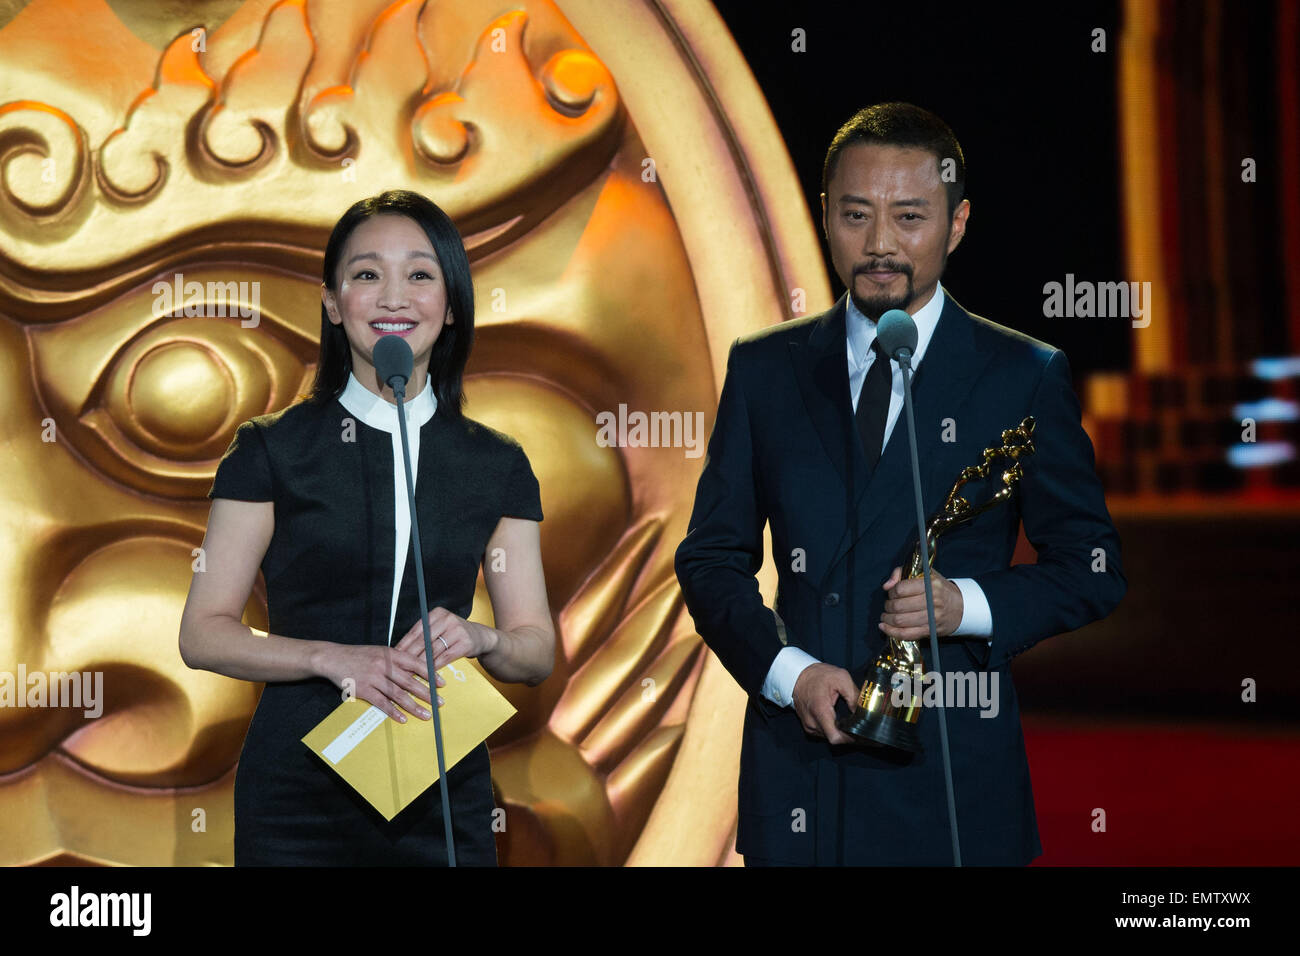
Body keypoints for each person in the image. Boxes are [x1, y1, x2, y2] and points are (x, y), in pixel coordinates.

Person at [674, 103, 1127, 865]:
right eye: (856, 214)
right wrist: (791, 674)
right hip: (803, 779)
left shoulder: (1023, 375)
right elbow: (710, 558)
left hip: (953, 783)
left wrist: (967, 605)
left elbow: (1093, 568)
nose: (880, 243)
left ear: (956, 223)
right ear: (824, 216)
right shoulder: (765, 369)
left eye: (909, 216)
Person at [179, 189, 554, 866]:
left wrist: (480, 636)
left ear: (450, 303)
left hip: (440, 786)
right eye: (365, 274)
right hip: (299, 798)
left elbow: (535, 651)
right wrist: (329, 658)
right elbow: (203, 632)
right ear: (331, 303)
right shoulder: (272, 450)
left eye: (418, 274)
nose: (392, 297)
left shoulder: (495, 463)